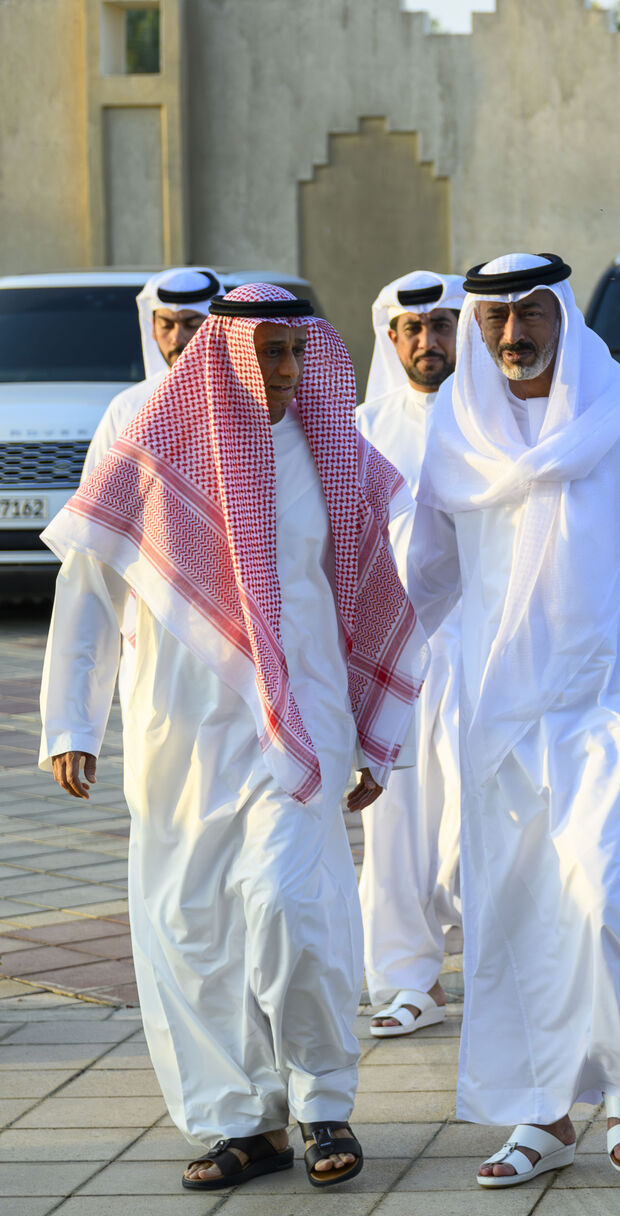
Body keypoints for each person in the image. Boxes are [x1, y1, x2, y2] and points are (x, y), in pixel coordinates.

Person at [40, 282, 422, 1192]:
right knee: (191, 929)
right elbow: (88, 586)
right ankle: (237, 1123)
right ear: (224, 355)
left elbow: (371, 593)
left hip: (305, 727)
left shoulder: (337, 452)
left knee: (295, 910)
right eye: (267, 353)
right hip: (178, 733)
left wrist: (372, 736)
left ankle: (323, 1101)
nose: (285, 373)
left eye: (295, 353)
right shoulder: (148, 448)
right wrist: (71, 720)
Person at [407, 253, 620, 1186]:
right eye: (495, 321)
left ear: (561, 314)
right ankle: (543, 1115)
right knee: (514, 917)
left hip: (616, 704)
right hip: (499, 717)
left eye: (530, 316)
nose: (514, 337)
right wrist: (370, 692)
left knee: (602, 898)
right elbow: (426, 579)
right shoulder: (455, 426)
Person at [354, 271, 465, 1038]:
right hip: (389, 652)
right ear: (390, 339)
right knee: (393, 826)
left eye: (443, 325)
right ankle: (407, 979)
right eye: (412, 328)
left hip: (478, 650)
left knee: (475, 828)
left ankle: (493, 965)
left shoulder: (496, 420)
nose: (428, 342)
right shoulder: (356, 427)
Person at [83, 266, 223, 473]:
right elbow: (93, 492)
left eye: (191, 324)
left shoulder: (246, 399)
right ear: (153, 329)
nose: (177, 338)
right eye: (167, 325)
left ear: (214, 328)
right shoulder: (128, 406)